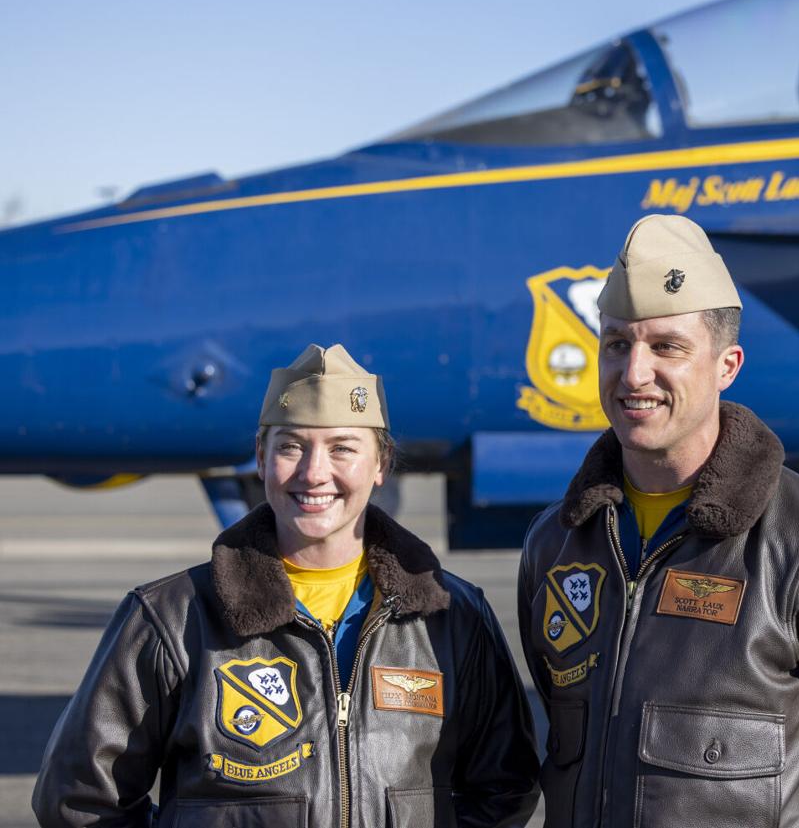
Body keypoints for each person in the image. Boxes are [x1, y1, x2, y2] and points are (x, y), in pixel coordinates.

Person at [517, 215, 799, 828]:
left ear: (726, 365)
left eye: (667, 348)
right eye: (616, 344)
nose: (634, 374)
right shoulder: (554, 542)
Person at [33, 344, 539, 827]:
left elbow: (504, 786)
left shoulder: (451, 616)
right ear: (261, 455)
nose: (315, 473)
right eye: (292, 446)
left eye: (343, 448)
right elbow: (78, 798)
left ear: (380, 464)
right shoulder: (171, 618)